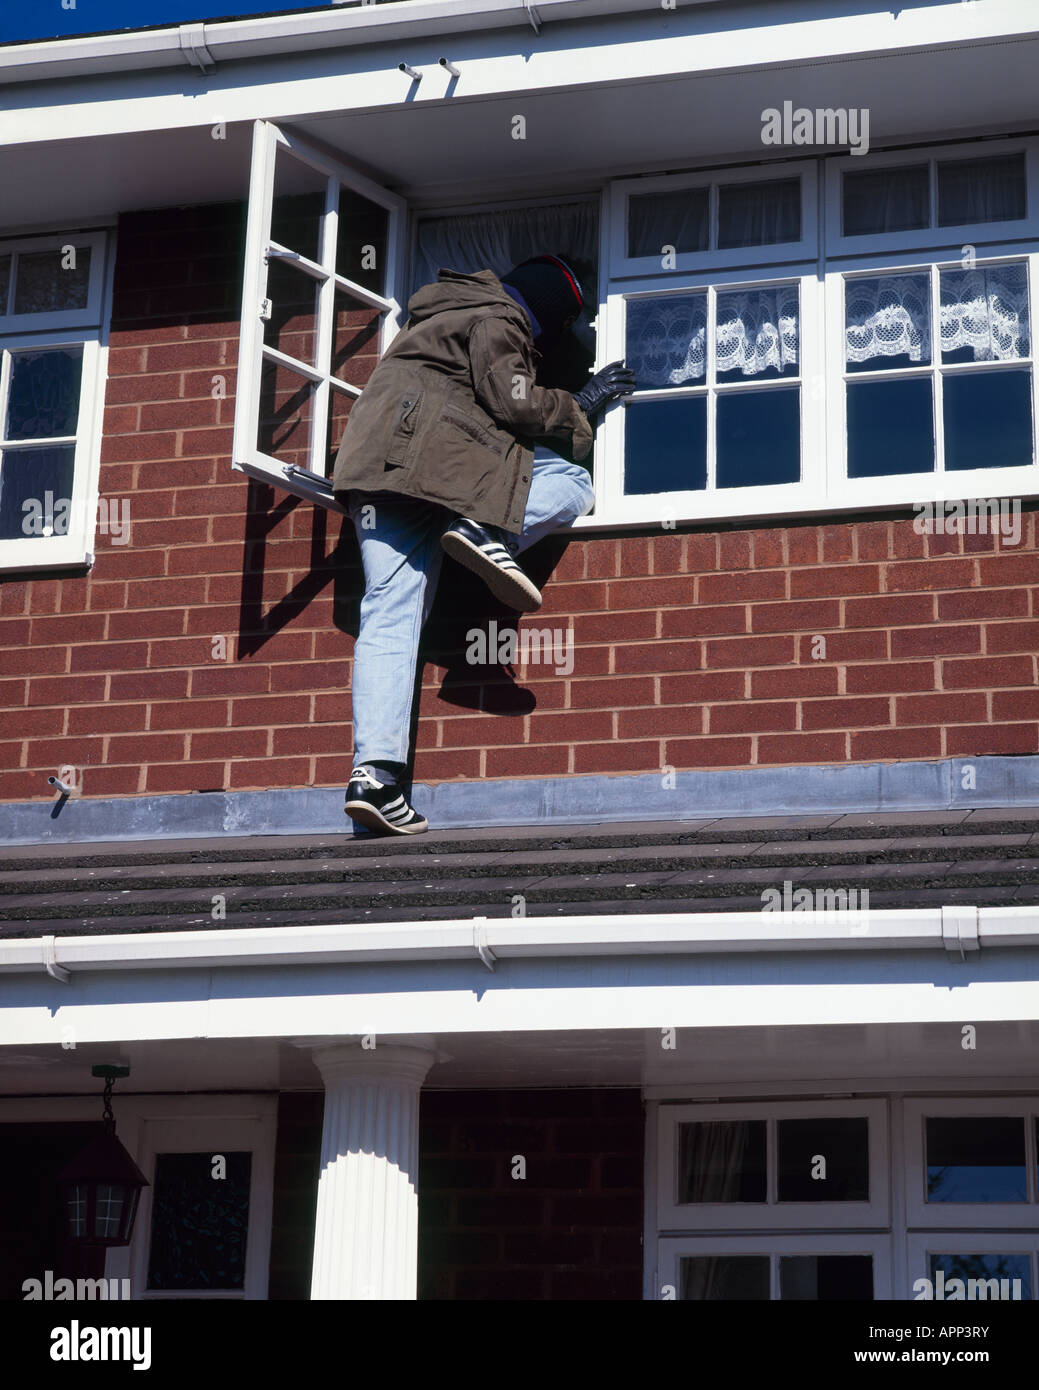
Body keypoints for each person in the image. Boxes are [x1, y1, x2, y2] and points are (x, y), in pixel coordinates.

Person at [331, 254, 635, 835]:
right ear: (546, 310)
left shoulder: (430, 317)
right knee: (572, 482)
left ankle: (375, 778)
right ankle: (488, 530)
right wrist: (582, 407)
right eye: (568, 321)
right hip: (436, 464)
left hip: (373, 473)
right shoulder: (498, 315)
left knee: (389, 617)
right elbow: (513, 398)